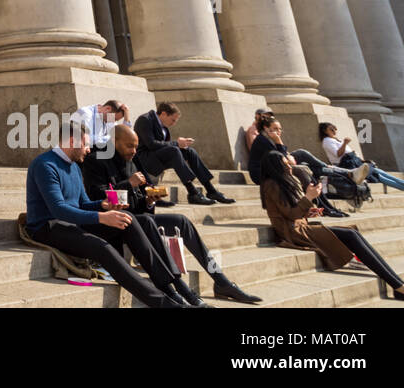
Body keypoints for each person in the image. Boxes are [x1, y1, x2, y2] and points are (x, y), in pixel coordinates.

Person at [83, 125, 261, 304]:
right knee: (145, 221)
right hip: (113, 223)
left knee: (181, 221)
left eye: (136, 146)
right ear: (114, 143)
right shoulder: (96, 160)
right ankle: (178, 287)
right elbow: (98, 198)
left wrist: (149, 200)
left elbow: (137, 202)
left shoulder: (132, 160)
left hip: (137, 218)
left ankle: (221, 281)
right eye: (130, 146)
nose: (134, 151)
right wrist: (129, 183)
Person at [25, 122, 196, 307]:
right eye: (85, 144)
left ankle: (172, 288)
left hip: (73, 221)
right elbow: (58, 209)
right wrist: (101, 217)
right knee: (103, 247)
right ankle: (165, 304)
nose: (89, 150)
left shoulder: (73, 165)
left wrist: (104, 205)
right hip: (48, 227)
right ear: (72, 142)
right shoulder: (44, 165)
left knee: (131, 220)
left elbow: (82, 204)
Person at [259, 151, 404, 303]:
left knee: (352, 233)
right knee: (351, 235)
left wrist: (309, 211)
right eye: (284, 164)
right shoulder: (271, 185)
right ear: (274, 167)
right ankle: (399, 286)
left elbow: (292, 212)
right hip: (293, 232)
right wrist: (309, 197)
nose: (289, 167)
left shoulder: (283, 181)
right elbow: (291, 215)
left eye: (288, 163)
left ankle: (399, 284)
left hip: (299, 226)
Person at [248, 114, 361, 217]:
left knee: (307, 164)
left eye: (280, 129)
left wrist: (281, 147)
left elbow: (284, 158)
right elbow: (283, 159)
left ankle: (328, 205)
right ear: (266, 129)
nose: (279, 131)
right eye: (275, 129)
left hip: (275, 169)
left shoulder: (269, 139)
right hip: (262, 175)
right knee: (302, 170)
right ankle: (330, 199)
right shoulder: (263, 141)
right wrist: (279, 141)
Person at [134, 103, 234, 205]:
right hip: (145, 159)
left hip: (156, 156)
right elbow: (151, 144)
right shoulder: (145, 120)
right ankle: (193, 192)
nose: (174, 123)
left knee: (189, 151)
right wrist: (176, 143)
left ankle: (211, 190)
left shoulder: (162, 124)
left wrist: (179, 144)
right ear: (163, 114)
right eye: (173, 120)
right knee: (174, 151)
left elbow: (162, 145)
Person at [320, 123, 404, 195]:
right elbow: (338, 154)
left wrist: (363, 161)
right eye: (331, 129)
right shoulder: (327, 141)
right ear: (325, 131)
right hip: (347, 165)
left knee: (379, 172)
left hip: (354, 161)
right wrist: (345, 143)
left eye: (334, 128)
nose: (334, 130)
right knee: (378, 175)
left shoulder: (335, 139)